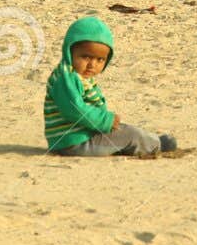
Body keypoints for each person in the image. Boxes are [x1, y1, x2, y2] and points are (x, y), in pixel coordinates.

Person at [43, 16, 176, 157]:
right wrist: (105, 120)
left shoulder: (78, 75)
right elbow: (74, 109)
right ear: (69, 51)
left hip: (78, 138)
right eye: (86, 57)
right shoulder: (66, 78)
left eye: (100, 59)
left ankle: (143, 142)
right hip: (75, 143)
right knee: (129, 134)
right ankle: (157, 145)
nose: (92, 64)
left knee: (121, 130)